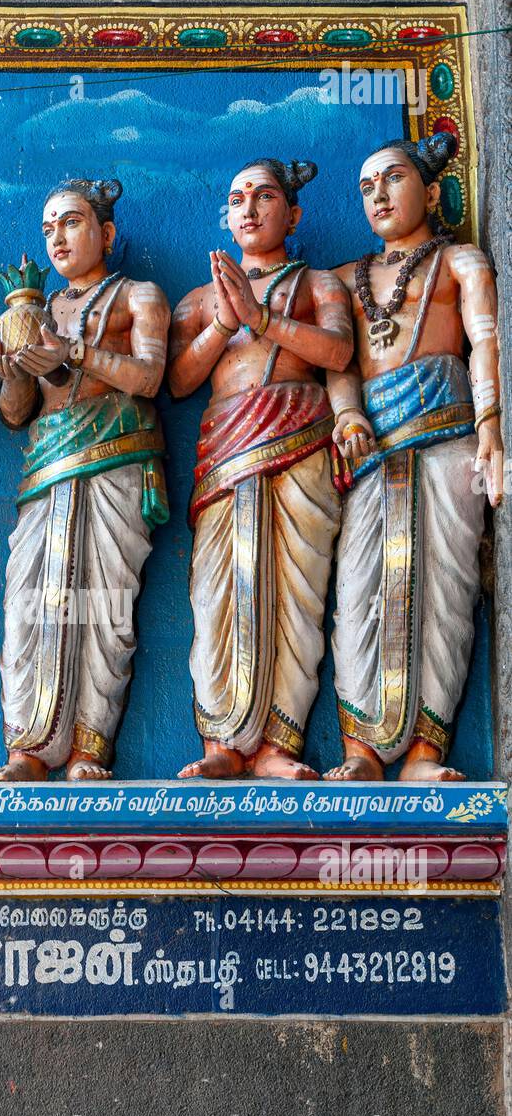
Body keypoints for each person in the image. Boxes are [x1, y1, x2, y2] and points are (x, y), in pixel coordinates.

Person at [0, 177, 170, 780]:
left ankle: (89, 747)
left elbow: (150, 378)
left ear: (107, 232)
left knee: (101, 606)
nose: (58, 238)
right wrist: (6, 371)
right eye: (48, 228)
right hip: (46, 466)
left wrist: (75, 354)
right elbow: (19, 413)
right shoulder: (35, 314)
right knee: (29, 603)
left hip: (114, 458)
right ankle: (27, 749)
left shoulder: (137, 296)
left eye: (71, 222)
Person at [325, 133, 503, 782]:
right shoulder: (345, 279)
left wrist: (488, 427)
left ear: (428, 191)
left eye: (391, 180)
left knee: (444, 595)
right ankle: (361, 751)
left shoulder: (460, 264)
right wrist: (345, 413)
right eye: (366, 187)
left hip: (446, 439)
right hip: (371, 455)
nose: (377, 196)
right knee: (359, 594)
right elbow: (338, 363)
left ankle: (426, 751)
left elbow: (484, 345)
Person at [169, 157, 353, 780]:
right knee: (220, 593)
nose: (249, 208)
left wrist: (265, 319)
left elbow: (337, 351)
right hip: (226, 449)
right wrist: (226, 321)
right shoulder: (200, 299)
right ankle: (221, 742)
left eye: (265, 196)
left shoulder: (318, 283)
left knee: (295, 597)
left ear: (293, 214)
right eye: (237, 197)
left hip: (300, 443)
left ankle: (279, 746)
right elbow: (178, 379)